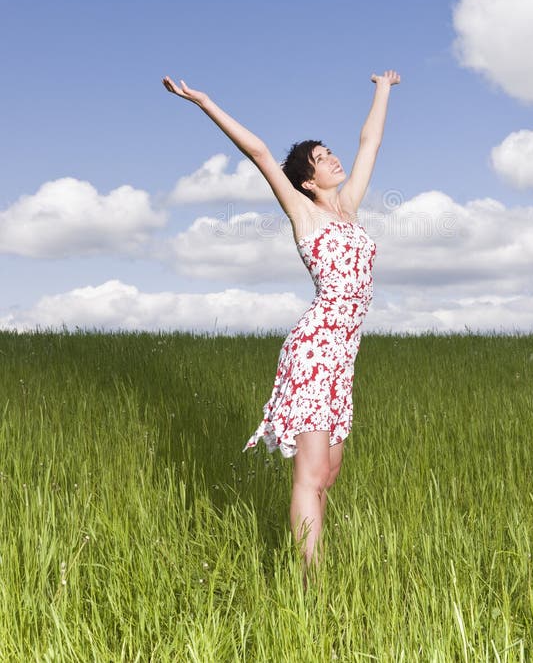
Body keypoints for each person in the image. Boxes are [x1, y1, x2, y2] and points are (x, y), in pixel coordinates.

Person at [162, 71, 400, 571]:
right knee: (310, 475)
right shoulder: (303, 214)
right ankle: (310, 583)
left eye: (328, 151)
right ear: (308, 181)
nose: (332, 159)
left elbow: (370, 142)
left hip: (344, 357)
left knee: (329, 474)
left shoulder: (351, 209)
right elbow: (260, 153)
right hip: (314, 352)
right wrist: (204, 101)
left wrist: (382, 88)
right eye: (320, 159)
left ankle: (318, 562)